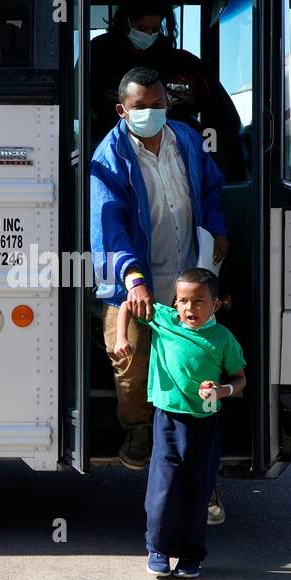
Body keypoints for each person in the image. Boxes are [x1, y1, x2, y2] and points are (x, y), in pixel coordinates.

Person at [89, 66, 228, 471]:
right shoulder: (109, 156)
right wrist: (133, 280)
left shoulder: (186, 139)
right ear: (121, 110)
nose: (150, 112)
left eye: (158, 104)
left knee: (190, 363)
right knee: (131, 364)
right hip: (133, 285)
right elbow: (108, 226)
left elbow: (212, 188)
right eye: (140, 106)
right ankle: (138, 429)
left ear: (168, 104)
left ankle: (188, 443)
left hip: (186, 280)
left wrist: (217, 228)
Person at [113, 267, 245, 578]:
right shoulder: (165, 321)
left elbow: (240, 380)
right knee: (164, 487)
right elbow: (126, 305)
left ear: (217, 304)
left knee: (197, 488)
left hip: (206, 422)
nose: (189, 308)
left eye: (199, 301)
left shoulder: (223, 339)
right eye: (182, 301)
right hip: (168, 419)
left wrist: (223, 390)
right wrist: (121, 337)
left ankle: (190, 554)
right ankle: (158, 548)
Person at [89, 0, 244, 181]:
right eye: (142, 28)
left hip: (172, 158)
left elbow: (224, 117)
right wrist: (99, 99)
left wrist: (189, 99)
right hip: (116, 154)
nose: (148, 35)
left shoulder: (180, 62)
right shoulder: (98, 54)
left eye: (154, 29)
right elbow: (77, 104)